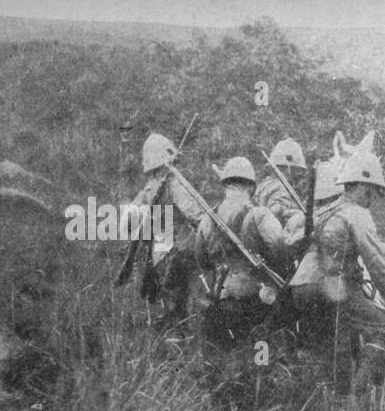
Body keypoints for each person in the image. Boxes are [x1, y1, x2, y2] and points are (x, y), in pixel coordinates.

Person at [285, 143, 385, 399]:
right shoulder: (357, 213)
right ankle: (358, 397)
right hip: (331, 287)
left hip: (301, 288)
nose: (372, 198)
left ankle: (336, 401)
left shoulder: (328, 211)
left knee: (338, 346)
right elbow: (377, 265)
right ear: (360, 185)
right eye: (372, 191)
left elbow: (373, 249)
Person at [194, 155, 299, 343]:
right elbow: (280, 250)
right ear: (252, 187)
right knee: (262, 355)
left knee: (224, 356)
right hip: (258, 300)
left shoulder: (206, 219)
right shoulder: (260, 215)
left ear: (224, 185)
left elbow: (201, 259)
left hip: (220, 295)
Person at [128, 132, 207, 320]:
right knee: (186, 301)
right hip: (180, 251)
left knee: (170, 300)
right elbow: (196, 216)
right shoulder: (175, 183)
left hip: (157, 253)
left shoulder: (149, 187)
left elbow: (131, 217)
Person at [255, 137, 307, 224]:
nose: (298, 174)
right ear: (288, 167)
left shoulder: (263, 185)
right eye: (296, 169)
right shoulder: (279, 187)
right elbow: (278, 214)